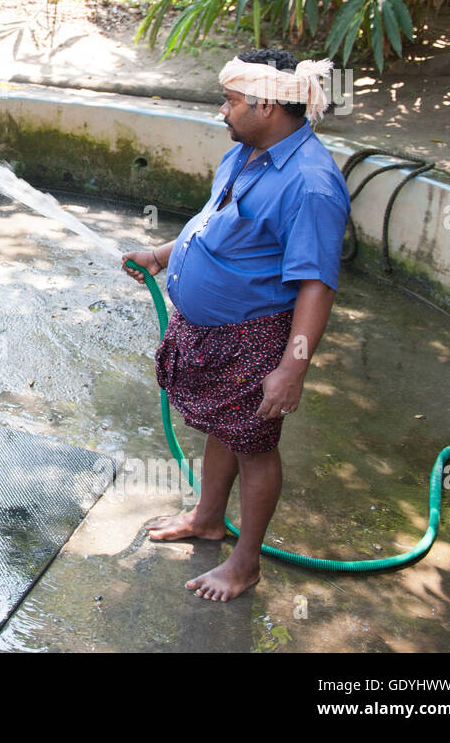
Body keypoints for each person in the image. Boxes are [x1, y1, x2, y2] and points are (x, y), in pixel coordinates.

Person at [121, 48, 350, 601]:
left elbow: (316, 284)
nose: (222, 110)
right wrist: (162, 254)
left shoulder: (311, 184)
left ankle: (245, 563)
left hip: (254, 339)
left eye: (232, 100)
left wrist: (292, 368)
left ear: (269, 104)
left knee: (254, 446)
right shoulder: (249, 151)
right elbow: (218, 226)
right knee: (226, 427)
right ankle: (207, 517)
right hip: (212, 331)